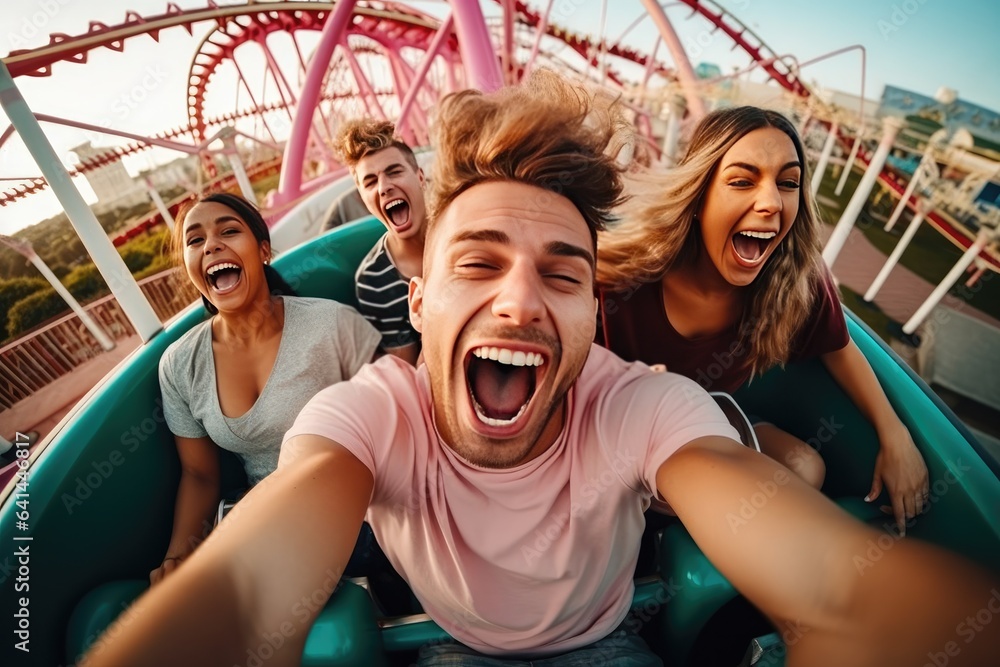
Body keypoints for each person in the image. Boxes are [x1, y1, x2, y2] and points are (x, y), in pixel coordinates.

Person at [86, 74, 999, 667]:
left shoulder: (639, 402)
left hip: (611, 644)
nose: (522, 301)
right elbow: (248, 597)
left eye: (562, 274)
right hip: (450, 647)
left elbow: (841, 592)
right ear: (418, 303)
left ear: (590, 312)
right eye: (478, 264)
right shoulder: (364, 415)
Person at [597, 106, 930, 533]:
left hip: (703, 429)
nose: (772, 202)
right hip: (610, 434)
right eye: (741, 180)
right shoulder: (619, 275)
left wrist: (894, 435)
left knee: (805, 469)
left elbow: (840, 348)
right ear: (698, 194)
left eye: (788, 183)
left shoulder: (794, 281)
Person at [151, 192, 381, 584]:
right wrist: (178, 555)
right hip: (273, 529)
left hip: (366, 514)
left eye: (229, 231)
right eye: (195, 240)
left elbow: (395, 424)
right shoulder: (179, 365)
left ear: (263, 251)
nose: (211, 245)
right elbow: (199, 475)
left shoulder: (334, 324)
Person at [334, 118, 426, 365]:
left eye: (394, 172)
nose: (384, 187)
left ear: (420, 177)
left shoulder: (459, 231)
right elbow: (408, 373)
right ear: (363, 198)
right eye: (371, 182)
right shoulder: (373, 280)